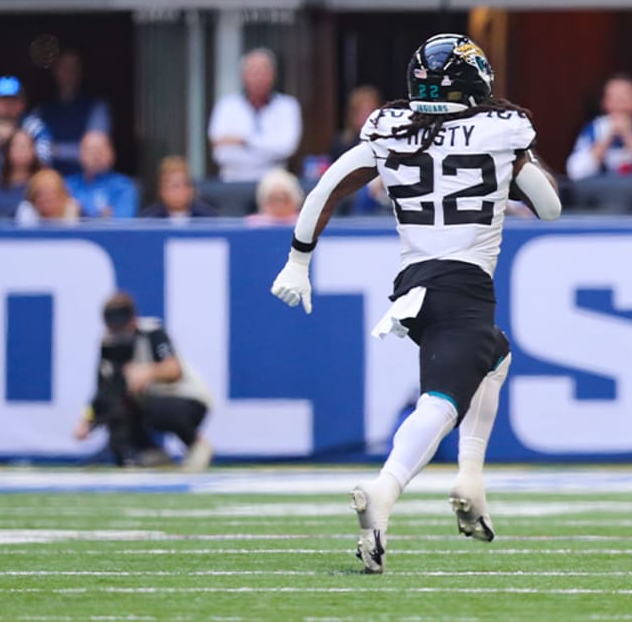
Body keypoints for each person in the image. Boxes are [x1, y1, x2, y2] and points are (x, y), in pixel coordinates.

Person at [269, 34, 562, 573]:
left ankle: (469, 479)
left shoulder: (391, 129)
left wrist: (298, 261)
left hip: (414, 285)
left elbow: (325, 189)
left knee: (494, 355)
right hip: (464, 285)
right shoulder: (501, 133)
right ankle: (384, 490)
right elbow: (549, 208)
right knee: (442, 401)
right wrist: (517, 160)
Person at [74, 291, 214, 470]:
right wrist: (86, 420)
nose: (118, 333)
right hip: (146, 404)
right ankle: (150, 452)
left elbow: (174, 369)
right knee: (115, 407)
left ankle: (196, 444)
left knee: (153, 405)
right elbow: (103, 393)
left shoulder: (152, 332)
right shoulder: (108, 346)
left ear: (133, 320)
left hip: (185, 398)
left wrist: (148, 373)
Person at [208, 48, 302, 182]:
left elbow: (286, 147)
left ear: (273, 75)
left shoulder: (287, 106)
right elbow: (221, 154)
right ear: (243, 76)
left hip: (274, 184)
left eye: (263, 72)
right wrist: (267, 147)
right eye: (253, 72)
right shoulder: (226, 106)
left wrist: (243, 140)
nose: (259, 78)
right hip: (232, 182)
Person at [38, 49, 111, 174]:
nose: (69, 73)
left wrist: (55, 150)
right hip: (50, 180)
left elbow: (96, 150)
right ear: (55, 72)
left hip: (87, 180)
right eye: (64, 68)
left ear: (80, 72)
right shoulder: (42, 110)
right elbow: (34, 149)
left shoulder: (96, 106)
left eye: (73, 68)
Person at [0, 76, 54, 166]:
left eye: (13, 100)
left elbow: (45, 160)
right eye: (2, 101)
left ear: (22, 103)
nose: (8, 106)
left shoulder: (34, 126)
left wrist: (14, 137)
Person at [64, 131, 137, 219]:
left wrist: (79, 213)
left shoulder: (123, 186)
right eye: (91, 150)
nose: (96, 155)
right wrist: (102, 216)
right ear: (80, 155)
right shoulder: (67, 185)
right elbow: (55, 220)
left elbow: (122, 222)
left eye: (101, 150)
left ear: (111, 155)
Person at [138, 156, 217, 221]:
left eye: (184, 184)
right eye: (174, 186)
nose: (179, 191)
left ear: (191, 190)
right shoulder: (148, 220)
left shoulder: (208, 217)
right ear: (162, 191)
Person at [0, 129, 42, 218]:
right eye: (16, 145)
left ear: (34, 151)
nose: (21, 150)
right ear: (8, 150)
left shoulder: (41, 183)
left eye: (25, 146)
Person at [331, 85, 383, 162]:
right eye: (361, 112)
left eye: (370, 111)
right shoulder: (341, 144)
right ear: (352, 114)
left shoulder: (386, 143)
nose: (366, 117)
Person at [16, 168, 81, 226]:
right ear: (33, 198)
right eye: (40, 194)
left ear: (62, 196)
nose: (45, 199)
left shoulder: (71, 209)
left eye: (51, 194)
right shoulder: (27, 210)